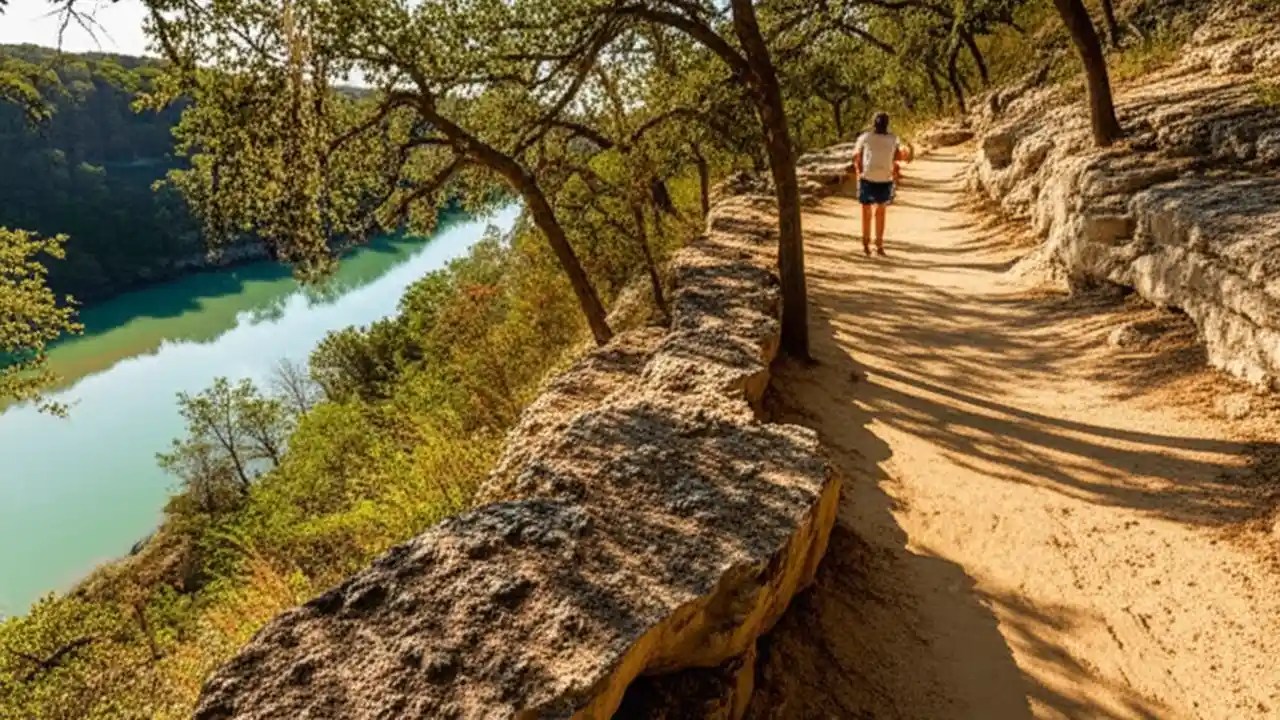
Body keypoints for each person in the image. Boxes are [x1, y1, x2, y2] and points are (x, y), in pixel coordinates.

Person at [852, 112, 911, 256]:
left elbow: (855, 155)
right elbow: (898, 156)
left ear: (874, 124)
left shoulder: (865, 137)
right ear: (887, 124)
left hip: (867, 177)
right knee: (881, 211)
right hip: (885, 177)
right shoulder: (893, 139)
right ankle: (879, 245)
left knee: (866, 211)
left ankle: (866, 244)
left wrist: (858, 170)